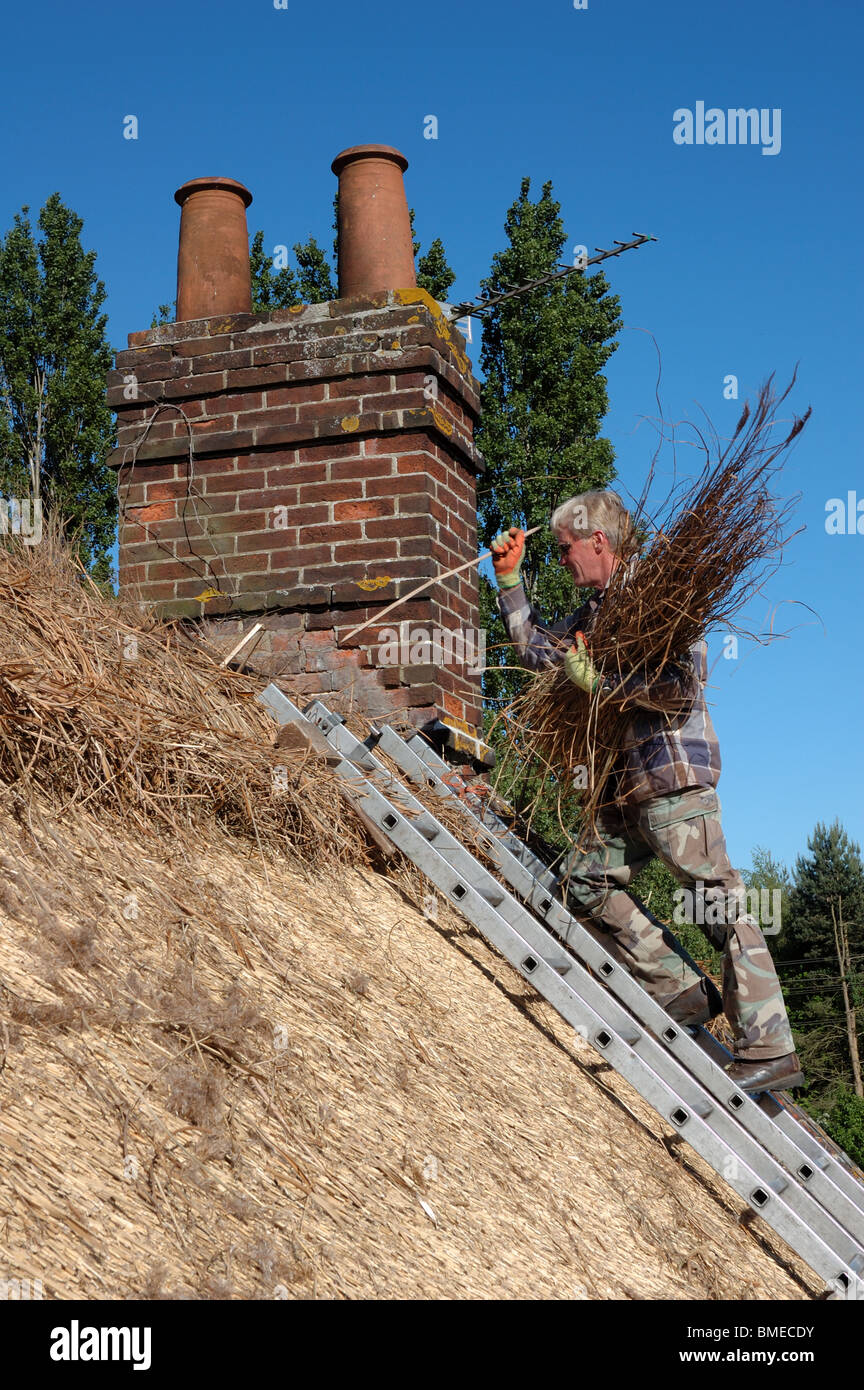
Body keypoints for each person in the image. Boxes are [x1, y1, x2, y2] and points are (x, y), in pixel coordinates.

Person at [490, 489, 803, 1093]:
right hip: (621, 789)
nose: (562, 562)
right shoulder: (596, 613)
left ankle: (769, 1044)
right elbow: (539, 656)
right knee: (584, 882)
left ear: (597, 542)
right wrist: (510, 582)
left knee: (716, 905)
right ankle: (680, 991)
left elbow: (678, 686)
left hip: (673, 780)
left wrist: (600, 683)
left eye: (564, 551)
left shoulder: (661, 600)